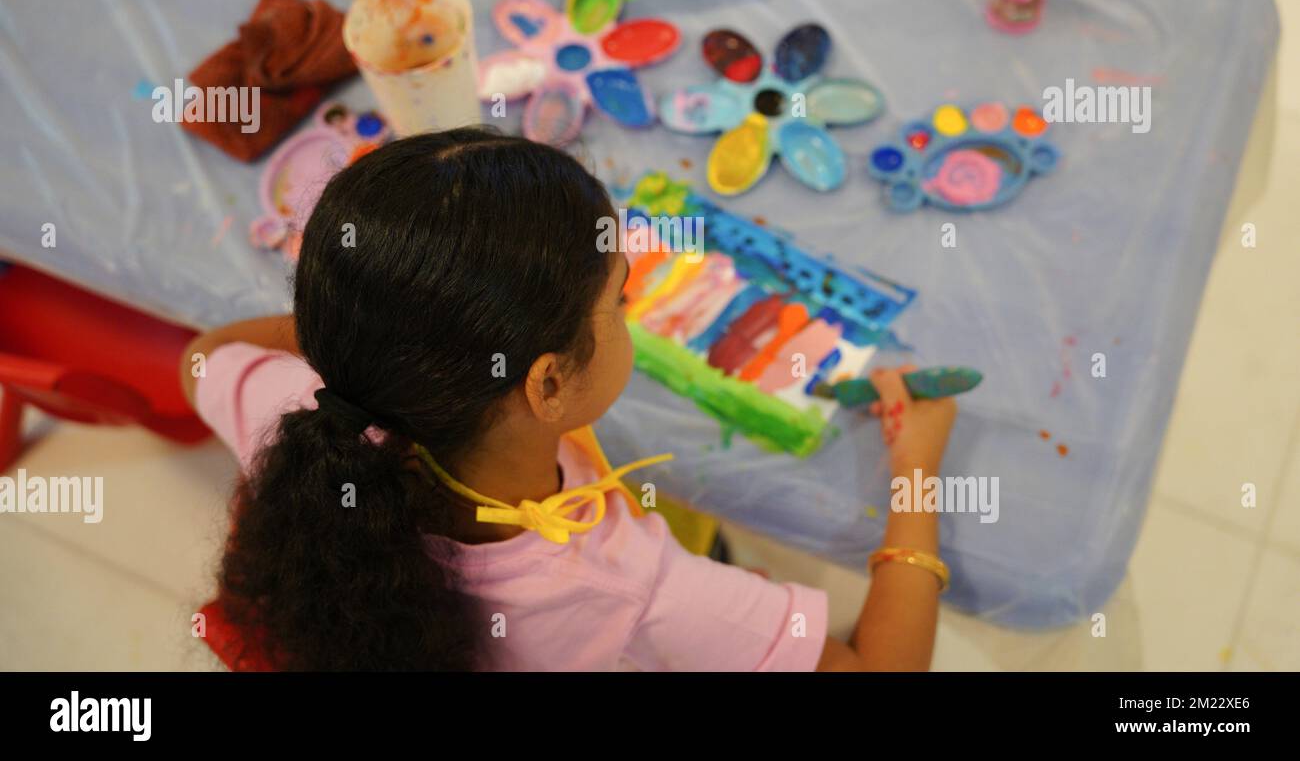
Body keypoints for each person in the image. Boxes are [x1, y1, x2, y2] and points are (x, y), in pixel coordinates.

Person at [180, 129, 955, 670]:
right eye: (620, 298)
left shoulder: (308, 414)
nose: (630, 304)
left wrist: (378, 327)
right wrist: (917, 466)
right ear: (548, 382)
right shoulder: (623, 584)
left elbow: (201, 359)